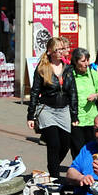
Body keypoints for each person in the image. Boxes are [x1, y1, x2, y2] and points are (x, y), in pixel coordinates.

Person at [27, 37, 77, 178]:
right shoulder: (43, 68)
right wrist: (31, 115)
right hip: (47, 109)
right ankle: (55, 177)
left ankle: (52, 166)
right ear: (50, 51)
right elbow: (35, 92)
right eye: (58, 49)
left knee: (66, 144)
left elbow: (73, 92)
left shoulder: (68, 69)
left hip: (64, 110)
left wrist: (74, 115)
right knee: (54, 143)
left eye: (63, 49)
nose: (62, 52)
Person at [70, 47, 98, 156]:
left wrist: (95, 96)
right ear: (76, 62)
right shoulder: (70, 74)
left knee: (93, 149)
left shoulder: (92, 73)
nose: (86, 63)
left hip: (91, 118)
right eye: (83, 61)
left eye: (88, 60)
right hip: (77, 118)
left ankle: (91, 170)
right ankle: (78, 171)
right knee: (78, 150)